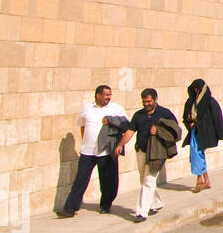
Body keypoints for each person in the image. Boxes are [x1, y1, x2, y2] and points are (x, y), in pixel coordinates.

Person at [57, 84, 129, 217]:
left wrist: (111, 121)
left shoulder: (116, 108)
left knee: (108, 181)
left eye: (110, 95)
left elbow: (126, 125)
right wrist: (86, 142)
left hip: (106, 152)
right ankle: (70, 208)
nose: (109, 97)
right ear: (98, 95)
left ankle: (105, 205)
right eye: (106, 95)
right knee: (80, 180)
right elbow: (83, 126)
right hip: (87, 151)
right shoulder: (87, 108)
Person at [118, 89, 181, 223]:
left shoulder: (165, 113)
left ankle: (141, 212)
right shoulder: (138, 115)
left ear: (155, 99)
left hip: (157, 153)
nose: (146, 104)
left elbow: (175, 130)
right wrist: (120, 145)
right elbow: (130, 131)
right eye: (144, 101)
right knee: (144, 179)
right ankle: (156, 202)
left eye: (149, 101)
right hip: (141, 151)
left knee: (149, 180)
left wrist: (158, 131)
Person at [182, 78, 223, 193]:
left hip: (206, 132)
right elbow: (185, 117)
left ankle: (199, 181)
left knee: (197, 153)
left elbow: (217, 118)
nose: (196, 90)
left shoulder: (210, 102)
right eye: (194, 88)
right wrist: (190, 124)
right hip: (195, 132)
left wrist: (220, 134)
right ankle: (206, 180)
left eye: (198, 88)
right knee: (197, 154)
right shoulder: (190, 102)